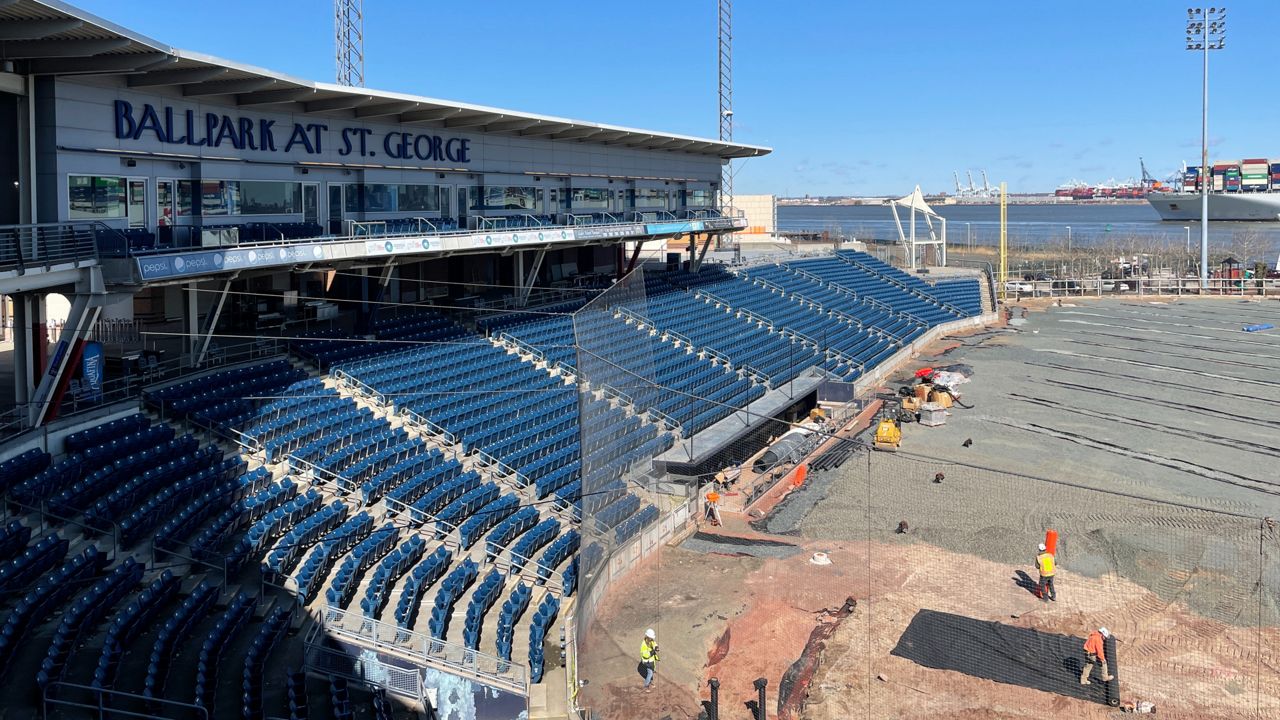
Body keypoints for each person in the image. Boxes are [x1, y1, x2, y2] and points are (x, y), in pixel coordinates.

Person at [640, 628, 659, 692]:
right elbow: (645, 655)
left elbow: (654, 643)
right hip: (647, 662)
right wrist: (652, 652)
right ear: (647, 637)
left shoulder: (651, 641)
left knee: (651, 672)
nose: (652, 639)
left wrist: (656, 647)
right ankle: (646, 686)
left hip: (651, 661)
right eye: (651, 637)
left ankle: (650, 682)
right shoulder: (643, 644)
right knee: (650, 673)